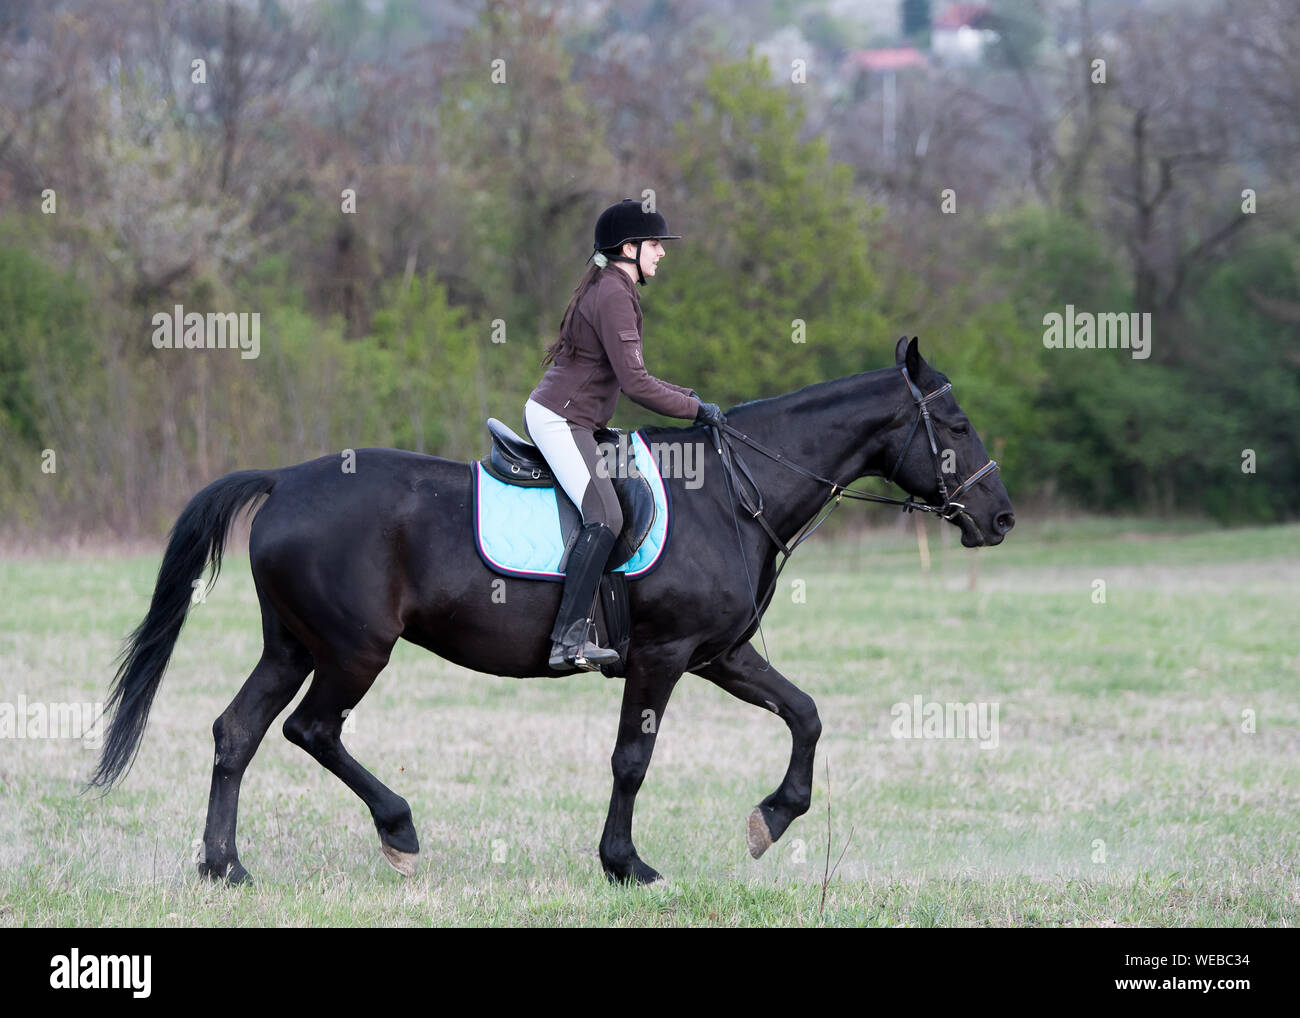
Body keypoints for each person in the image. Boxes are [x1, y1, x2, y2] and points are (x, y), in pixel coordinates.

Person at [525, 198, 726, 671]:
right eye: (656, 244)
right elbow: (636, 385)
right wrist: (696, 408)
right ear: (629, 248)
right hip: (561, 419)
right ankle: (567, 641)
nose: (662, 253)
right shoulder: (614, 293)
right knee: (605, 516)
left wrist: (691, 397)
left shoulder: (614, 287)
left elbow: (639, 376)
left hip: (576, 419)